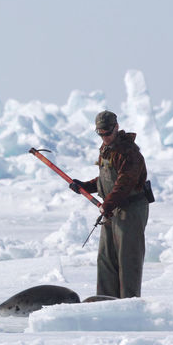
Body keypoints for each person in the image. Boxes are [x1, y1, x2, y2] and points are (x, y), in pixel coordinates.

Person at [69, 110, 149, 298]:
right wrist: (86, 186)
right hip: (112, 209)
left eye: (107, 132)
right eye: (100, 133)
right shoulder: (107, 150)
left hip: (130, 211)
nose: (104, 137)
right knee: (106, 258)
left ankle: (128, 305)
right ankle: (105, 303)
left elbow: (124, 183)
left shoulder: (129, 153)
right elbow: (106, 179)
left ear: (116, 127)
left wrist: (108, 204)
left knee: (127, 260)